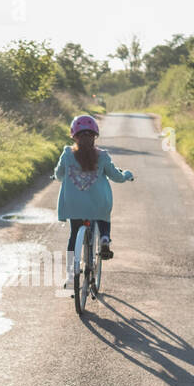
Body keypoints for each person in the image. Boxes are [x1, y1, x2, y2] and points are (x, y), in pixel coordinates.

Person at [53, 114, 133, 288]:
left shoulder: (67, 154)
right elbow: (116, 177)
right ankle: (105, 238)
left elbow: (59, 175)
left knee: (74, 235)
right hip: (97, 204)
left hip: (74, 205)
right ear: (95, 136)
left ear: (74, 136)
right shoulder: (102, 156)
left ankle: (69, 275)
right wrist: (126, 175)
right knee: (103, 215)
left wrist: (60, 175)